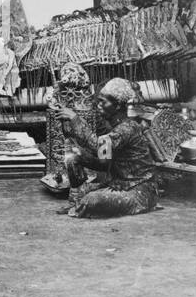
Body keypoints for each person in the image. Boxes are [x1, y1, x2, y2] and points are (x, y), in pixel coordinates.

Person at [54, 77, 158, 218]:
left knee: (92, 200)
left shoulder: (128, 128)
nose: (99, 105)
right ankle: (77, 203)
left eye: (103, 102)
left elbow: (98, 146)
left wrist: (75, 119)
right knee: (73, 157)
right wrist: (79, 156)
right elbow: (104, 161)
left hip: (140, 190)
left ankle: (81, 205)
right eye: (99, 101)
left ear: (118, 106)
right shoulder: (114, 127)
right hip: (119, 184)